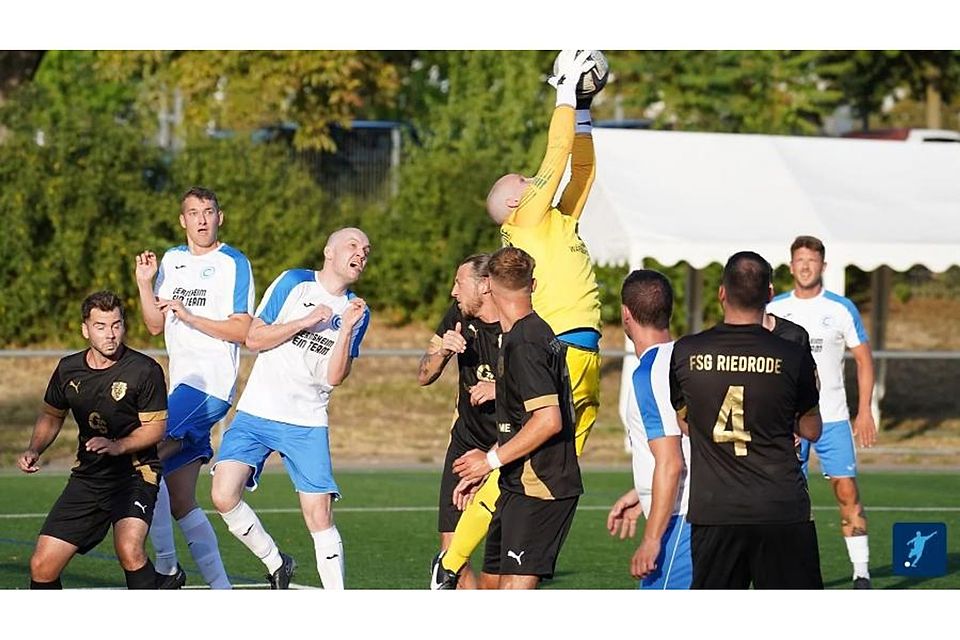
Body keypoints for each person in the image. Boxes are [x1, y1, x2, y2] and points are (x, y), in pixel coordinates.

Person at [434, 48, 603, 586]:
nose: (535, 184)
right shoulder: (527, 219)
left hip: (585, 356)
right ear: (514, 206)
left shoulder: (550, 221)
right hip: (563, 354)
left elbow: (582, 169)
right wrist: (563, 89)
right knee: (519, 469)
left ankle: (473, 560)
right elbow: (555, 160)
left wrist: (584, 109)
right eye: (524, 185)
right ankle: (453, 562)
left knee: (545, 475)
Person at [210, 227, 371, 589]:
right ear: (329, 251)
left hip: (306, 421)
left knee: (319, 515)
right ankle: (275, 561)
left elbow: (334, 377)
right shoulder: (294, 282)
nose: (361, 253)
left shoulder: (359, 310)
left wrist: (344, 330)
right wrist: (305, 321)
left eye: (366, 249)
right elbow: (253, 338)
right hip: (256, 412)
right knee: (222, 493)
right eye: (353, 245)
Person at [669, 251, 824, 589]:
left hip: (715, 509)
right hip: (779, 506)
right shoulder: (792, 354)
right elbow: (812, 428)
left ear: (721, 292)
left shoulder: (685, 352)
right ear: (769, 294)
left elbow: (686, 423)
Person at [135, 186, 254, 589]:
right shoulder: (171, 260)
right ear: (182, 219)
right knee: (180, 495)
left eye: (208, 211)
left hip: (211, 386)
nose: (202, 219)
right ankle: (222, 589)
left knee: (142, 455)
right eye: (193, 212)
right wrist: (144, 283)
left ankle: (167, 570)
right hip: (181, 387)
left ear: (220, 216)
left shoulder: (233, 263)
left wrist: (191, 316)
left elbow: (242, 329)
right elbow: (154, 324)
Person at [452, 246, 582, 590]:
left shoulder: (525, 341)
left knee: (513, 590)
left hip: (542, 488)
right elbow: (523, 419)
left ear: (489, 286)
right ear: (533, 284)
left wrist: (489, 460)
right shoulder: (526, 333)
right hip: (516, 484)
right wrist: (487, 467)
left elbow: (548, 420)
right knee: (492, 584)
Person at [18, 291, 167, 589]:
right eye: (101, 326)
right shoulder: (67, 369)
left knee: (129, 550)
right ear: (85, 329)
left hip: (135, 474)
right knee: (42, 565)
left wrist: (118, 446)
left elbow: (155, 429)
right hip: (89, 476)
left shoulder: (144, 370)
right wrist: (35, 448)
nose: (110, 334)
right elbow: (52, 414)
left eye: (116, 325)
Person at [766, 235, 878, 589]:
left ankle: (861, 572)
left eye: (812, 260)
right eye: (799, 260)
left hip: (832, 419)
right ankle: (786, 573)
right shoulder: (776, 309)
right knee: (787, 499)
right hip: (788, 423)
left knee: (847, 491)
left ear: (823, 266)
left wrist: (864, 412)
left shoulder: (841, 308)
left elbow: (863, 358)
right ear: (790, 266)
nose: (805, 266)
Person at [418, 254, 500, 590]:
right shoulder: (458, 316)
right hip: (466, 442)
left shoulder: (520, 326)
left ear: (485, 285)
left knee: (501, 567)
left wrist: (501, 388)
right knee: (452, 555)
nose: (453, 292)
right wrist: (442, 353)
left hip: (509, 448)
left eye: (458, 283)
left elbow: (543, 394)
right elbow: (423, 375)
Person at [606, 269, 691, 589]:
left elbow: (672, 462)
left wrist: (653, 538)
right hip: (689, 512)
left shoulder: (652, 371)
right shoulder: (682, 357)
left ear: (626, 314)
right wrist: (641, 494)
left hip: (679, 520)